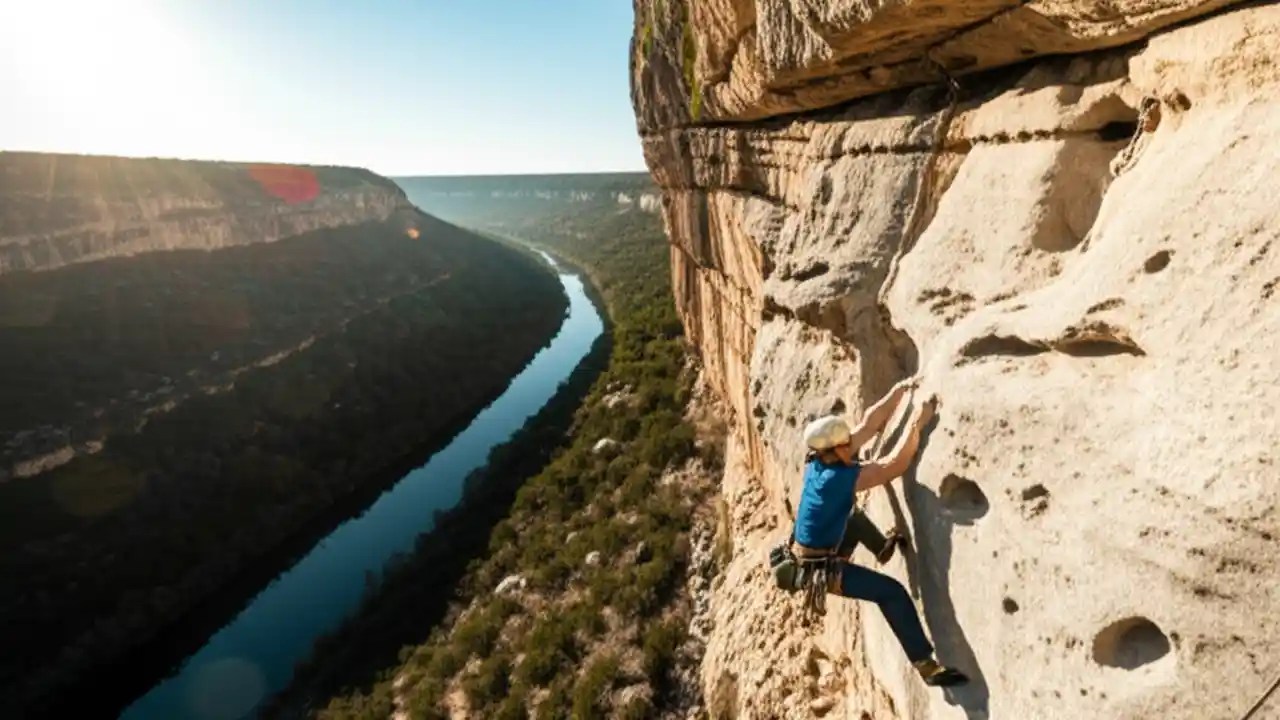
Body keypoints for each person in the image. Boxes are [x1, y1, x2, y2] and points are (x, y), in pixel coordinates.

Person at [792, 376, 969, 687]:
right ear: (838, 449)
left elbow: (868, 425)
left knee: (852, 516)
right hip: (821, 569)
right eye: (848, 442)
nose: (853, 443)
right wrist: (919, 421)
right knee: (892, 593)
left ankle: (882, 549)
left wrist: (898, 390)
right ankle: (926, 665)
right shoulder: (839, 479)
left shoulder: (819, 461)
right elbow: (894, 465)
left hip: (813, 551)